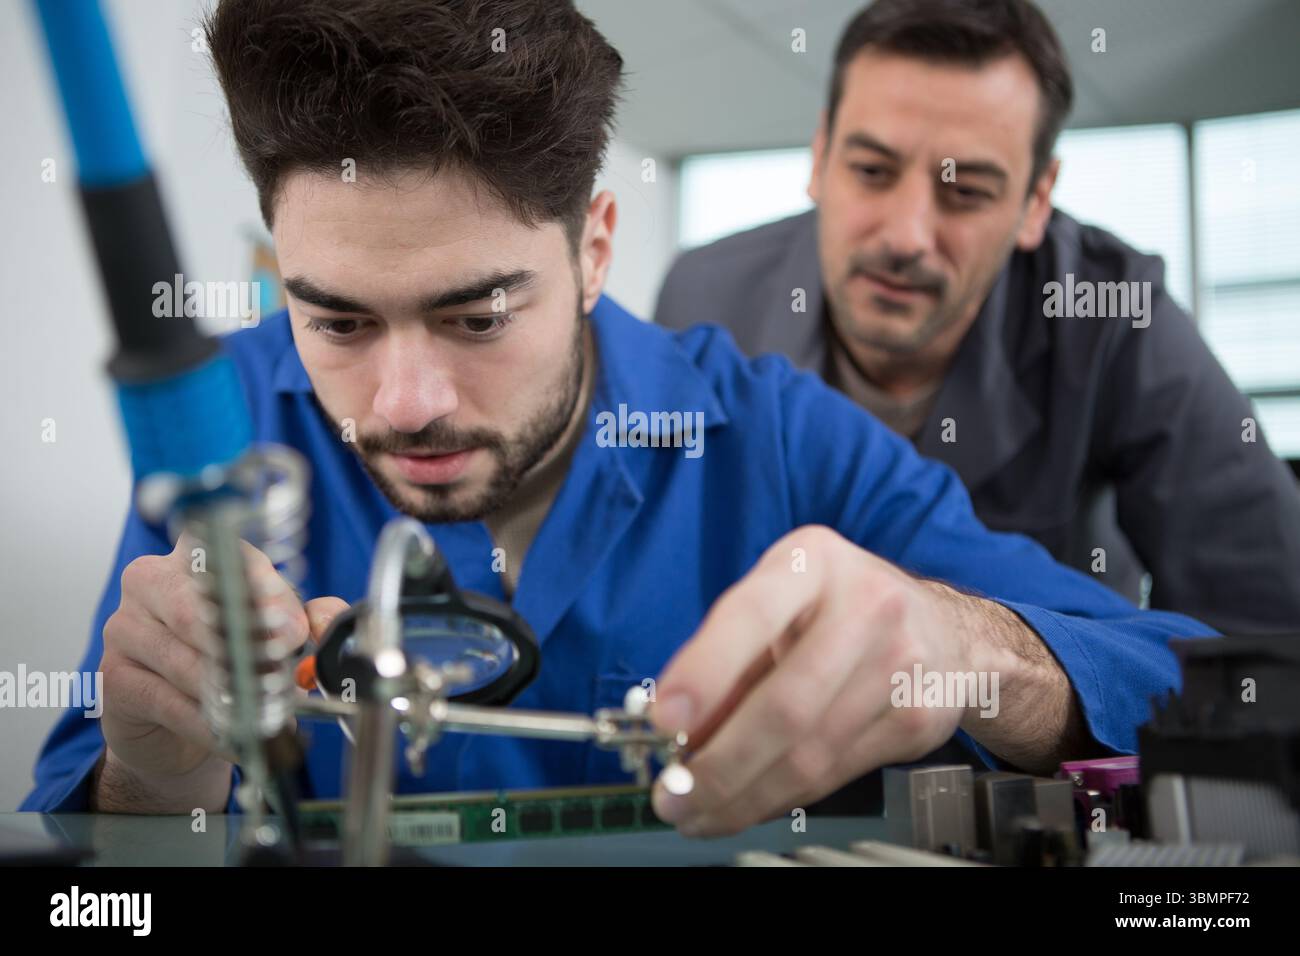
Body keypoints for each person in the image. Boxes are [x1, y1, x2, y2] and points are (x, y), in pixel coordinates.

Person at [24, 0, 1215, 838]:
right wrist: (154, 776)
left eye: (478, 315)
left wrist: (966, 651)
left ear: (593, 248)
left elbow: (1184, 680)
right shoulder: (219, 429)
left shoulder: (778, 437)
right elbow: (90, 876)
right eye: (335, 320)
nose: (405, 402)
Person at [654, 0, 1300, 637]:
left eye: (965, 192)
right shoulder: (703, 297)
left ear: (1035, 200)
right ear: (820, 156)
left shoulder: (1115, 317)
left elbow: (1267, 628)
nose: (905, 237)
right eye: (872, 171)